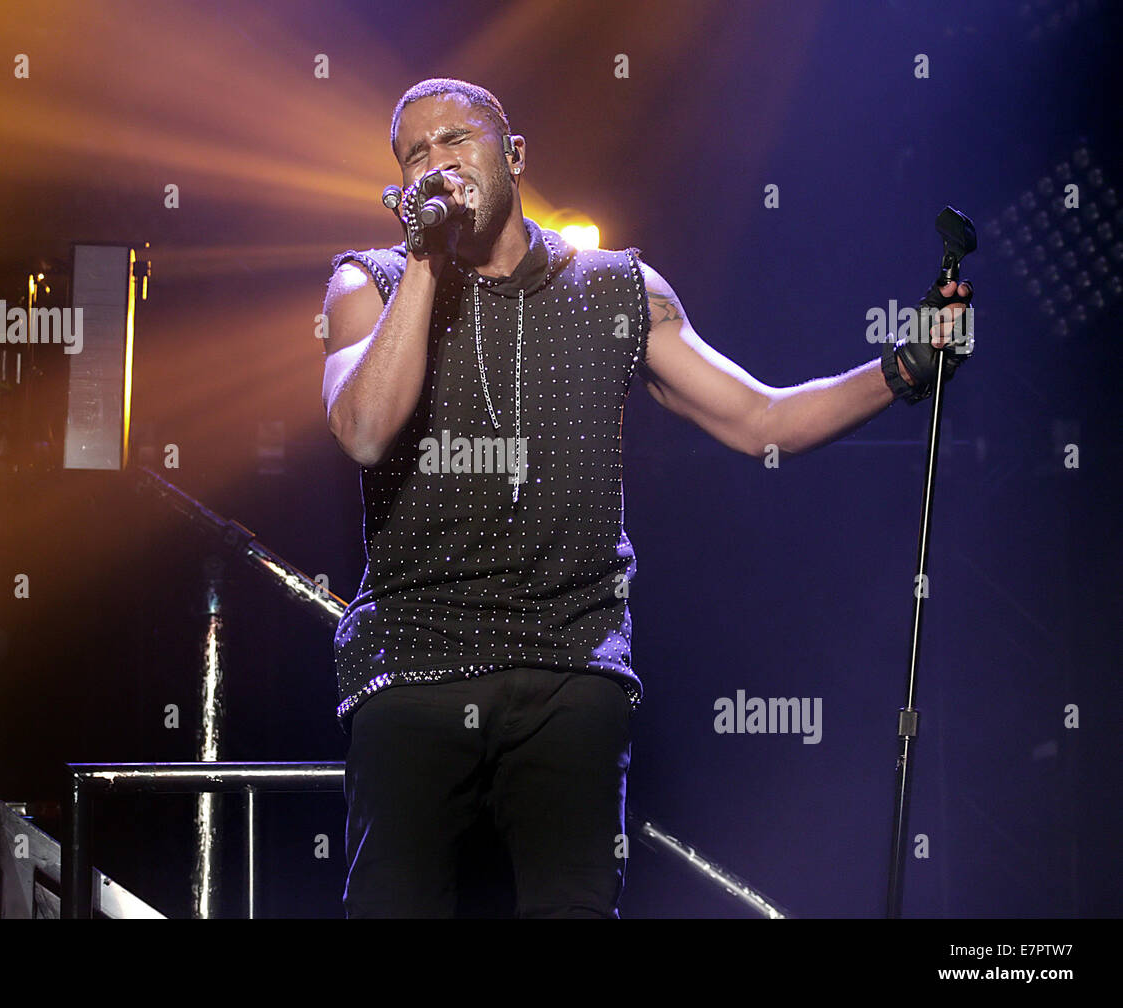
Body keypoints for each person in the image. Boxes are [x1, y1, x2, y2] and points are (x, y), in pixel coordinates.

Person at [319, 78, 972, 918]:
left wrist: (904, 368)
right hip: (413, 659)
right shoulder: (366, 283)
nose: (439, 165)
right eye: (417, 155)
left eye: (458, 141)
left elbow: (759, 417)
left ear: (514, 156)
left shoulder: (617, 289)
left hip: (571, 664)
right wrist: (421, 257)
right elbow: (365, 431)